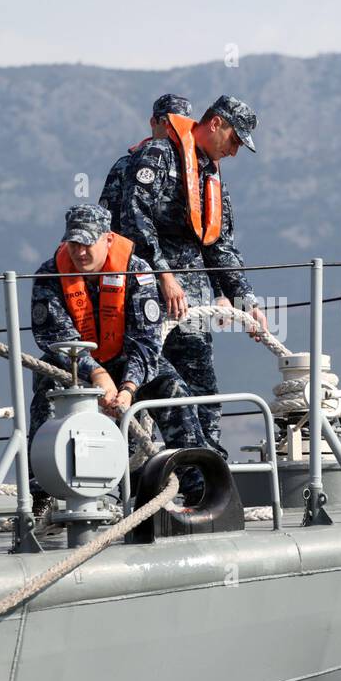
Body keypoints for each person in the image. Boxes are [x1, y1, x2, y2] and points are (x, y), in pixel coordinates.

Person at [116, 95, 268, 457]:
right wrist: (163, 274)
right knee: (152, 391)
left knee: (204, 394)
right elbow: (132, 219)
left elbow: (221, 245)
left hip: (193, 305)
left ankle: (208, 477)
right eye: (234, 140)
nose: (234, 152)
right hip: (145, 297)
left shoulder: (212, 177)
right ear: (215, 123)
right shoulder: (157, 156)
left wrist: (248, 302)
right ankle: (134, 477)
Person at [28, 203, 208, 500]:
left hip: (128, 363)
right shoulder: (49, 277)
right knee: (48, 392)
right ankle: (44, 496)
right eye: (74, 244)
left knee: (174, 390)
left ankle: (199, 488)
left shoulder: (137, 271)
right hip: (75, 366)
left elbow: (147, 342)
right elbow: (55, 339)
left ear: (108, 239)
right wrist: (96, 374)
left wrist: (127, 388)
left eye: (88, 243)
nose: (80, 252)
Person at [98, 93, 193, 228]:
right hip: (140, 246)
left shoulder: (192, 168)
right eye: (168, 122)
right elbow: (106, 219)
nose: (175, 129)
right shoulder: (124, 165)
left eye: (182, 124)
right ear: (153, 122)